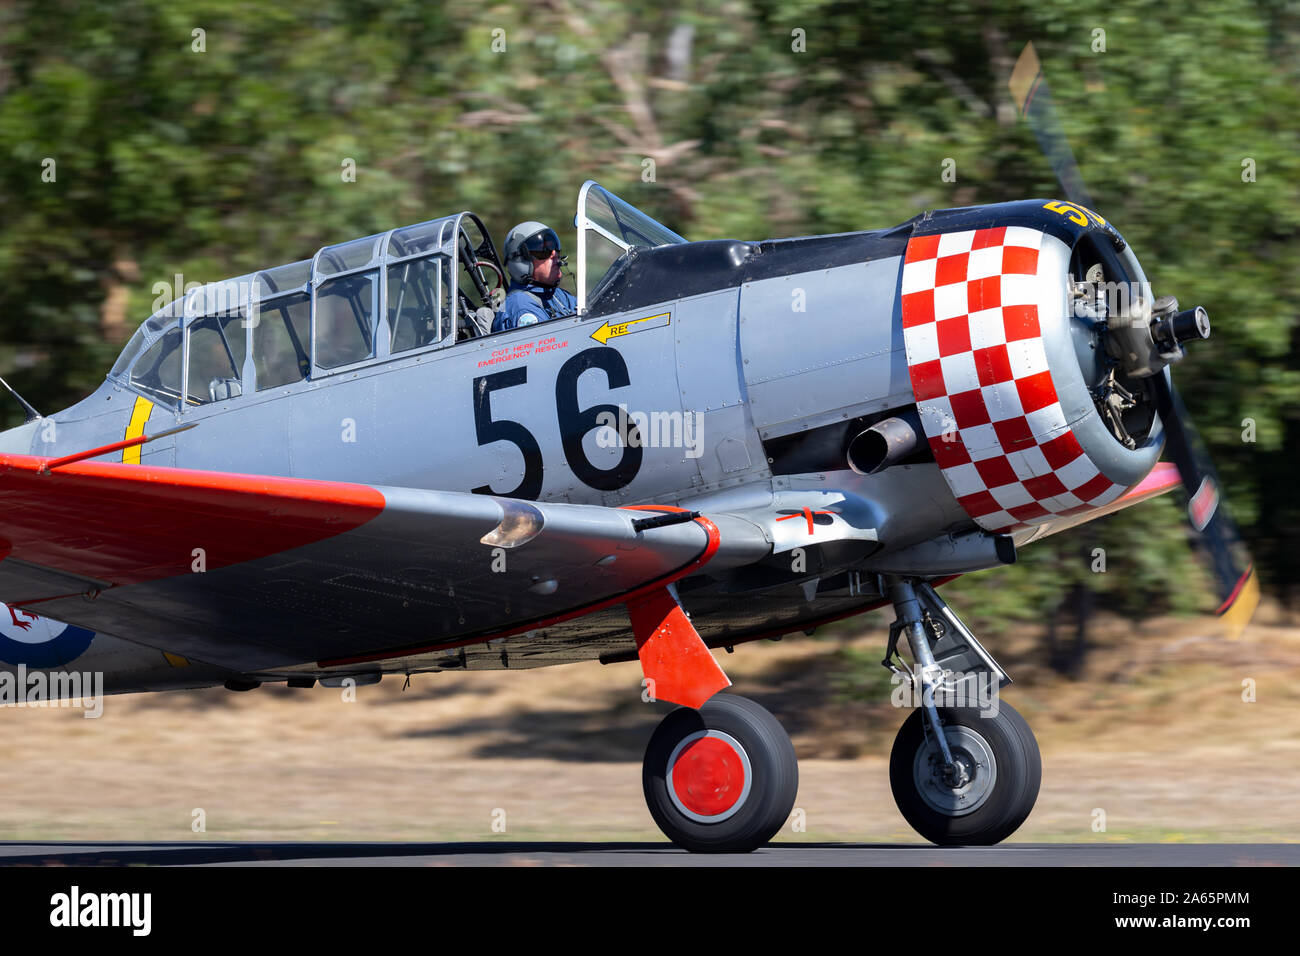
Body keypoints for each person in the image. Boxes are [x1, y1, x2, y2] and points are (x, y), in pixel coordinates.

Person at [491, 221, 578, 333]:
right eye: (543, 251)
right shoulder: (522, 306)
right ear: (521, 262)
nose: (554, 254)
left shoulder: (556, 295)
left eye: (555, 247)